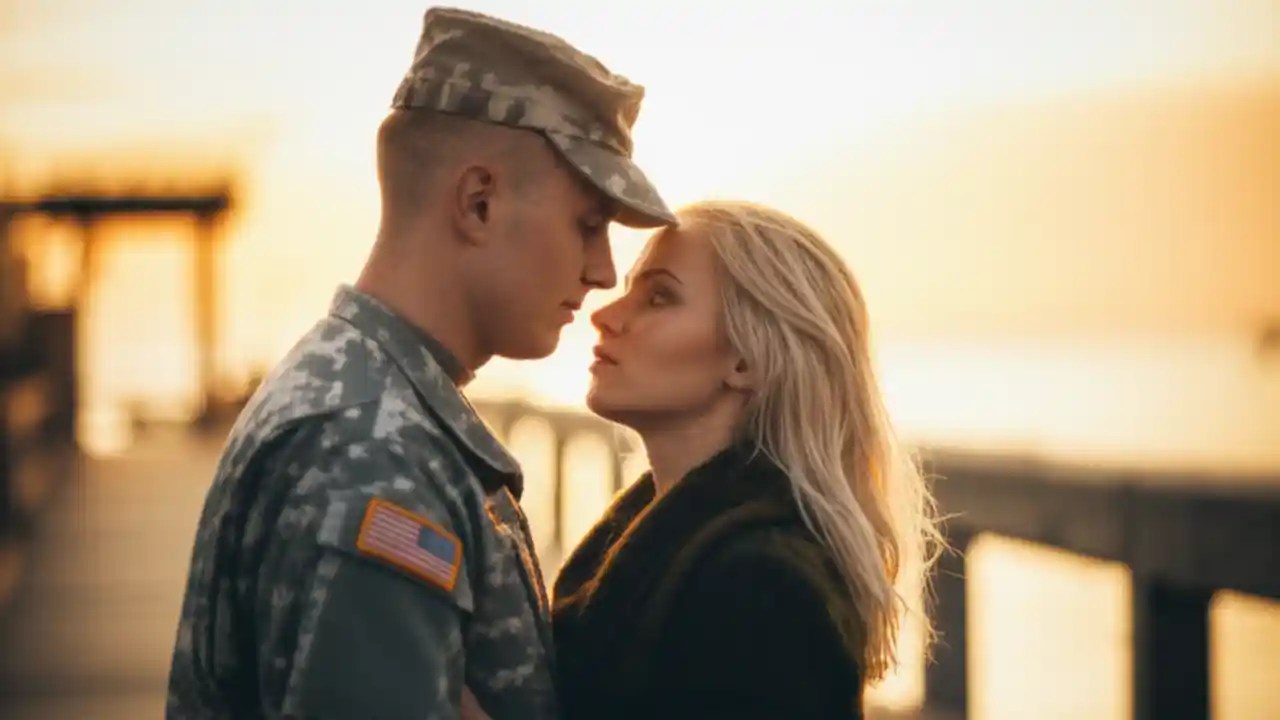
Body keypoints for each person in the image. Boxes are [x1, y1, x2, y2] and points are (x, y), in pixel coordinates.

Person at [165, 7, 675, 719]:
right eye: (587, 226)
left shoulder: (370, 402)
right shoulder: (372, 452)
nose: (603, 271)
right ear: (478, 202)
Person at [551, 201, 943, 719]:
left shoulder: (761, 585)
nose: (604, 316)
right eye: (629, 290)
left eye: (659, 296)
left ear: (745, 360)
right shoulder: (667, 544)